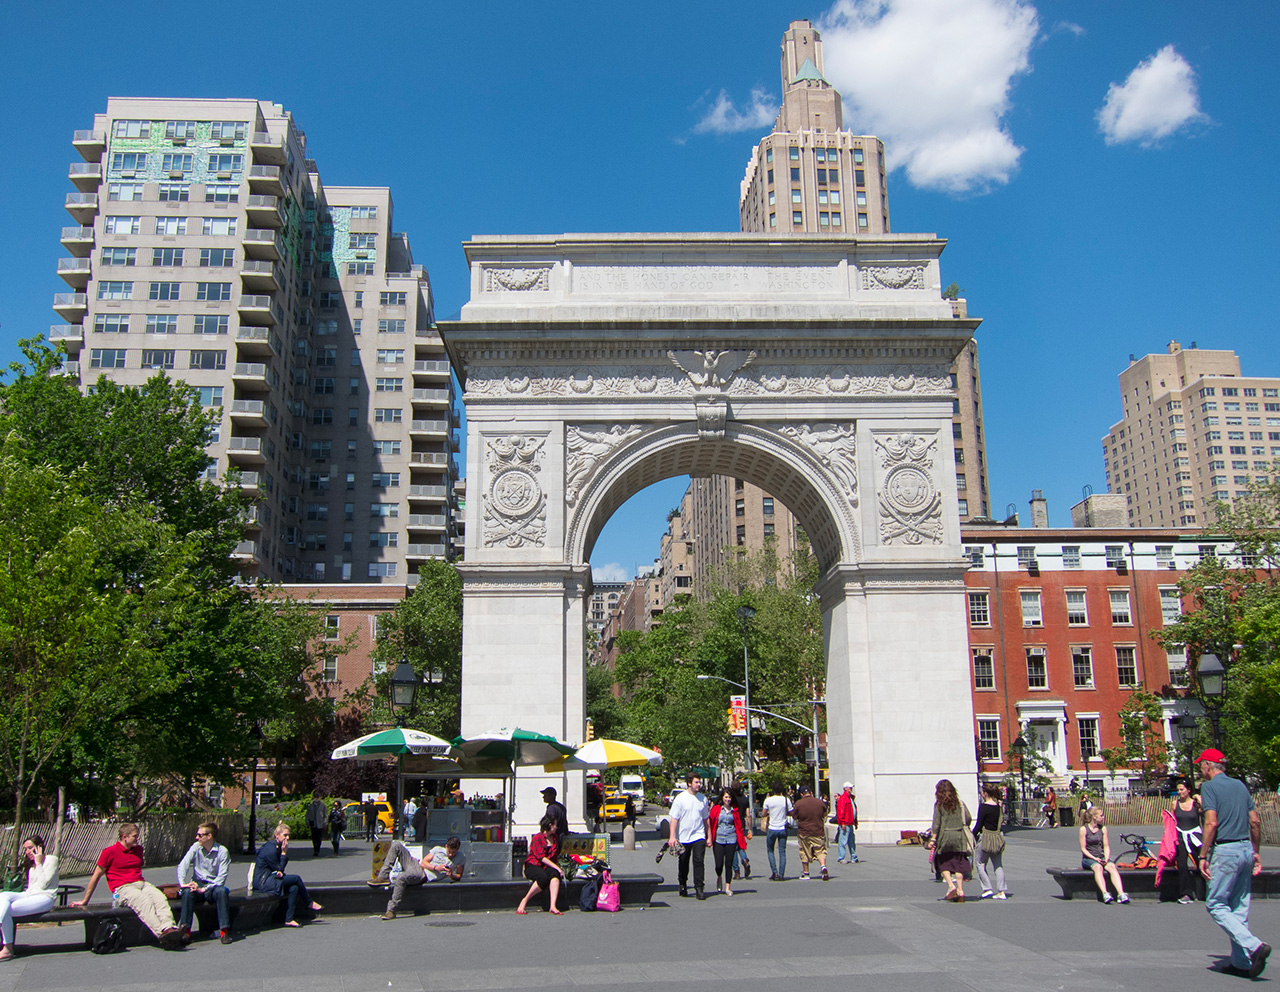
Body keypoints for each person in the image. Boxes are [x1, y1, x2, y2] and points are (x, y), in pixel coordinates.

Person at [1196, 747, 1271, 977]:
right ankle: (1241, 963)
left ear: (1209, 765)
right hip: (1245, 847)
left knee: (1216, 904)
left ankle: (1254, 945)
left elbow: (1211, 823)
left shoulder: (1208, 787)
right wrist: (1255, 851)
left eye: (1201, 765)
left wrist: (1202, 855)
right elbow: (1255, 821)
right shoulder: (1240, 785)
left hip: (1225, 850)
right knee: (1239, 906)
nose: (1200, 769)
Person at [73, 823, 184, 948]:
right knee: (143, 901)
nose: (137, 839)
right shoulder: (109, 852)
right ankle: (162, 934)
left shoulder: (138, 850)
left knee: (159, 898)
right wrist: (85, 900)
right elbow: (96, 876)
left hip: (141, 883)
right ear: (124, 837)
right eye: (134, 836)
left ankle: (170, 928)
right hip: (122, 888)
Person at [369, 836, 464, 920]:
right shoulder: (437, 849)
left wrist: (452, 875)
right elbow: (423, 862)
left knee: (401, 878)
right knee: (397, 845)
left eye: (454, 852)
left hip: (423, 875)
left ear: (458, 849)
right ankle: (383, 877)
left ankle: (391, 910)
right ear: (446, 846)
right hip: (417, 866)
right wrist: (436, 868)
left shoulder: (460, 857)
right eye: (449, 852)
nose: (451, 855)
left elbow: (459, 876)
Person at [0, 835, 59, 961]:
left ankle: (8, 949)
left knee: (8, 909)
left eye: (30, 848)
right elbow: (31, 888)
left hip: (45, 898)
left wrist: (38, 863)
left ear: (39, 847)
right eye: (26, 849)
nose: (27, 852)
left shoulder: (51, 860)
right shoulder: (30, 865)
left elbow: (43, 885)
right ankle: (6, 946)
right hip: (30, 895)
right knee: (3, 896)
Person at [253, 822, 322, 927]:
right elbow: (278, 868)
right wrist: (284, 854)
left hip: (271, 878)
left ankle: (289, 918)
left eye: (288, 835)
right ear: (277, 835)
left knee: (294, 888)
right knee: (296, 878)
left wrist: (280, 869)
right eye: (285, 835)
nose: (288, 838)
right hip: (264, 882)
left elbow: (279, 871)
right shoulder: (270, 849)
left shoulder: (276, 846)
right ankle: (308, 902)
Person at [176, 822, 232, 944]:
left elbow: (221, 878)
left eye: (200, 835)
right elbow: (183, 866)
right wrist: (183, 883)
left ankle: (224, 932)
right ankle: (185, 932)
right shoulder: (196, 847)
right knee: (187, 893)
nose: (197, 838)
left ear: (209, 836)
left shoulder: (222, 852)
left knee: (222, 892)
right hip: (197, 884)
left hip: (213, 886)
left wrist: (206, 889)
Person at [928, 779, 973, 902]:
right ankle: (960, 890)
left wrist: (933, 839)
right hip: (959, 835)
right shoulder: (960, 803)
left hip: (945, 836)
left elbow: (936, 823)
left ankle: (950, 886)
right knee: (958, 862)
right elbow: (968, 817)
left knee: (943, 862)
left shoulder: (939, 805)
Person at [668, 773, 710, 899]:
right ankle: (682, 883)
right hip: (683, 837)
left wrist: (709, 837)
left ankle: (699, 887)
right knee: (683, 862)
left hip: (698, 835)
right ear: (689, 783)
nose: (698, 785)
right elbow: (674, 818)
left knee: (698, 861)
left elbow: (706, 820)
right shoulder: (680, 798)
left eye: (699, 782)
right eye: (696, 782)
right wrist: (672, 836)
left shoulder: (703, 799)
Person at [1078, 806, 1129, 904]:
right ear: (1094, 817)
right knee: (1098, 868)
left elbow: (1106, 846)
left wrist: (1106, 858)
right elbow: (1083, 849)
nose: (1103, 817)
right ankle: (1105, 893)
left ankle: (1121, 894)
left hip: (1101, 856)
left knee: (1112, 867)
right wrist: (1095, 859)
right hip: (1089, 858)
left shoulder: (1103, 829)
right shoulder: (1083, 829)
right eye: (1101, 815)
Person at [516, 816, 565, 915]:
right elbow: (541, 857)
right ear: (550, 825)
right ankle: (525, 900)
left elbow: (554, 857)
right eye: (555, 825)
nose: (557, 827)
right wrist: (557, 867)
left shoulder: (554, 838)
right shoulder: (537, 838)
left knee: (555, 875)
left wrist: (556, 869)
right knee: (543, 877)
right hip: (533, 865)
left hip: (546, 867)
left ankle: (553, 906)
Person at [707, 788, 748, 896]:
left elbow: (738, 826)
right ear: (722, 798)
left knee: (729, 864)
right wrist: (709, 838)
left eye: (729, 797)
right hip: (718, 839)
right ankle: (719, 877)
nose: (728, 799)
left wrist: (741, 840)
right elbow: (710, 823)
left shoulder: (734, 810)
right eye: (726, 797)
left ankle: (728, 887)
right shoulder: (716, 809)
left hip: (731, 839)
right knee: (719, 864)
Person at [973, 783, 1008, 899]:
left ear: (986, 793)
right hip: (997, 837)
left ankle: (987, 888)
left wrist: (973, 835)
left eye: (982, 792)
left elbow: (979, 824)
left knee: (980, 863)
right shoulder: (997, 807)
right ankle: (1001, 891)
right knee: (998, 865)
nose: (982, 794)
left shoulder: (983, 807)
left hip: (986, 837)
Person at [1172, 777, 1203, 905]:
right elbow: (1173, 821)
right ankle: (1186, 893)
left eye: (1182, 790)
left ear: (1188, 790)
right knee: (1182, 865)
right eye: (1178, 790)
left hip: (1195, 835)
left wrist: (1199, 799)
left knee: (1201, 862)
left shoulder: (1195, 803)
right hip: (1180, 836)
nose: (1179, 792)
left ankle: (1206, 890)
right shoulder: (1175, 804)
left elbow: (1206, 813)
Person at [792, 784, 830, 881]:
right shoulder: (820, 803)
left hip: (804, 832)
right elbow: (825, 814)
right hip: (818, 831)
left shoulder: (799, 804)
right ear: (811, 793)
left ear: (801, 794)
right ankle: (823, 867)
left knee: (804, 852)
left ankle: (806, 873)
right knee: (820, 850)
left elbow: (794, 816)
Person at [760, 781, 793, 881]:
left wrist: (770, 813)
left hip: (772, 828)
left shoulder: (768, 800)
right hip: (782, 828)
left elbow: (763, 814)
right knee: (782, 851)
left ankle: (774, 872)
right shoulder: (786, 800)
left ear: (773, 790)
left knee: (770, 850)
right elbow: (792, 812)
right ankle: (782, 874)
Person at [729, 783, 752, 880]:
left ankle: (736, 871)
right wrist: (750, 828)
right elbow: (748, 815)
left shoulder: (731, 800)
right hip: (741, 824)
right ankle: (745, 860)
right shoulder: (744, 799)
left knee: (733, 848)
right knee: (741, 845)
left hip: (732, 823)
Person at [835, 782, 859, 864]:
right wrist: (842, 823)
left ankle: (854, 856)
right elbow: (841, 811)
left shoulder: (850, 798)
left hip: (850, 822)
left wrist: (855, 822)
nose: (851, 789)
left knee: (851, 841)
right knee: (843, 841)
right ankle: (841, 858)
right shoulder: (843, 798)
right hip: (845, 823)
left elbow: (853, 811)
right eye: (850, 787)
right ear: (845, 788)